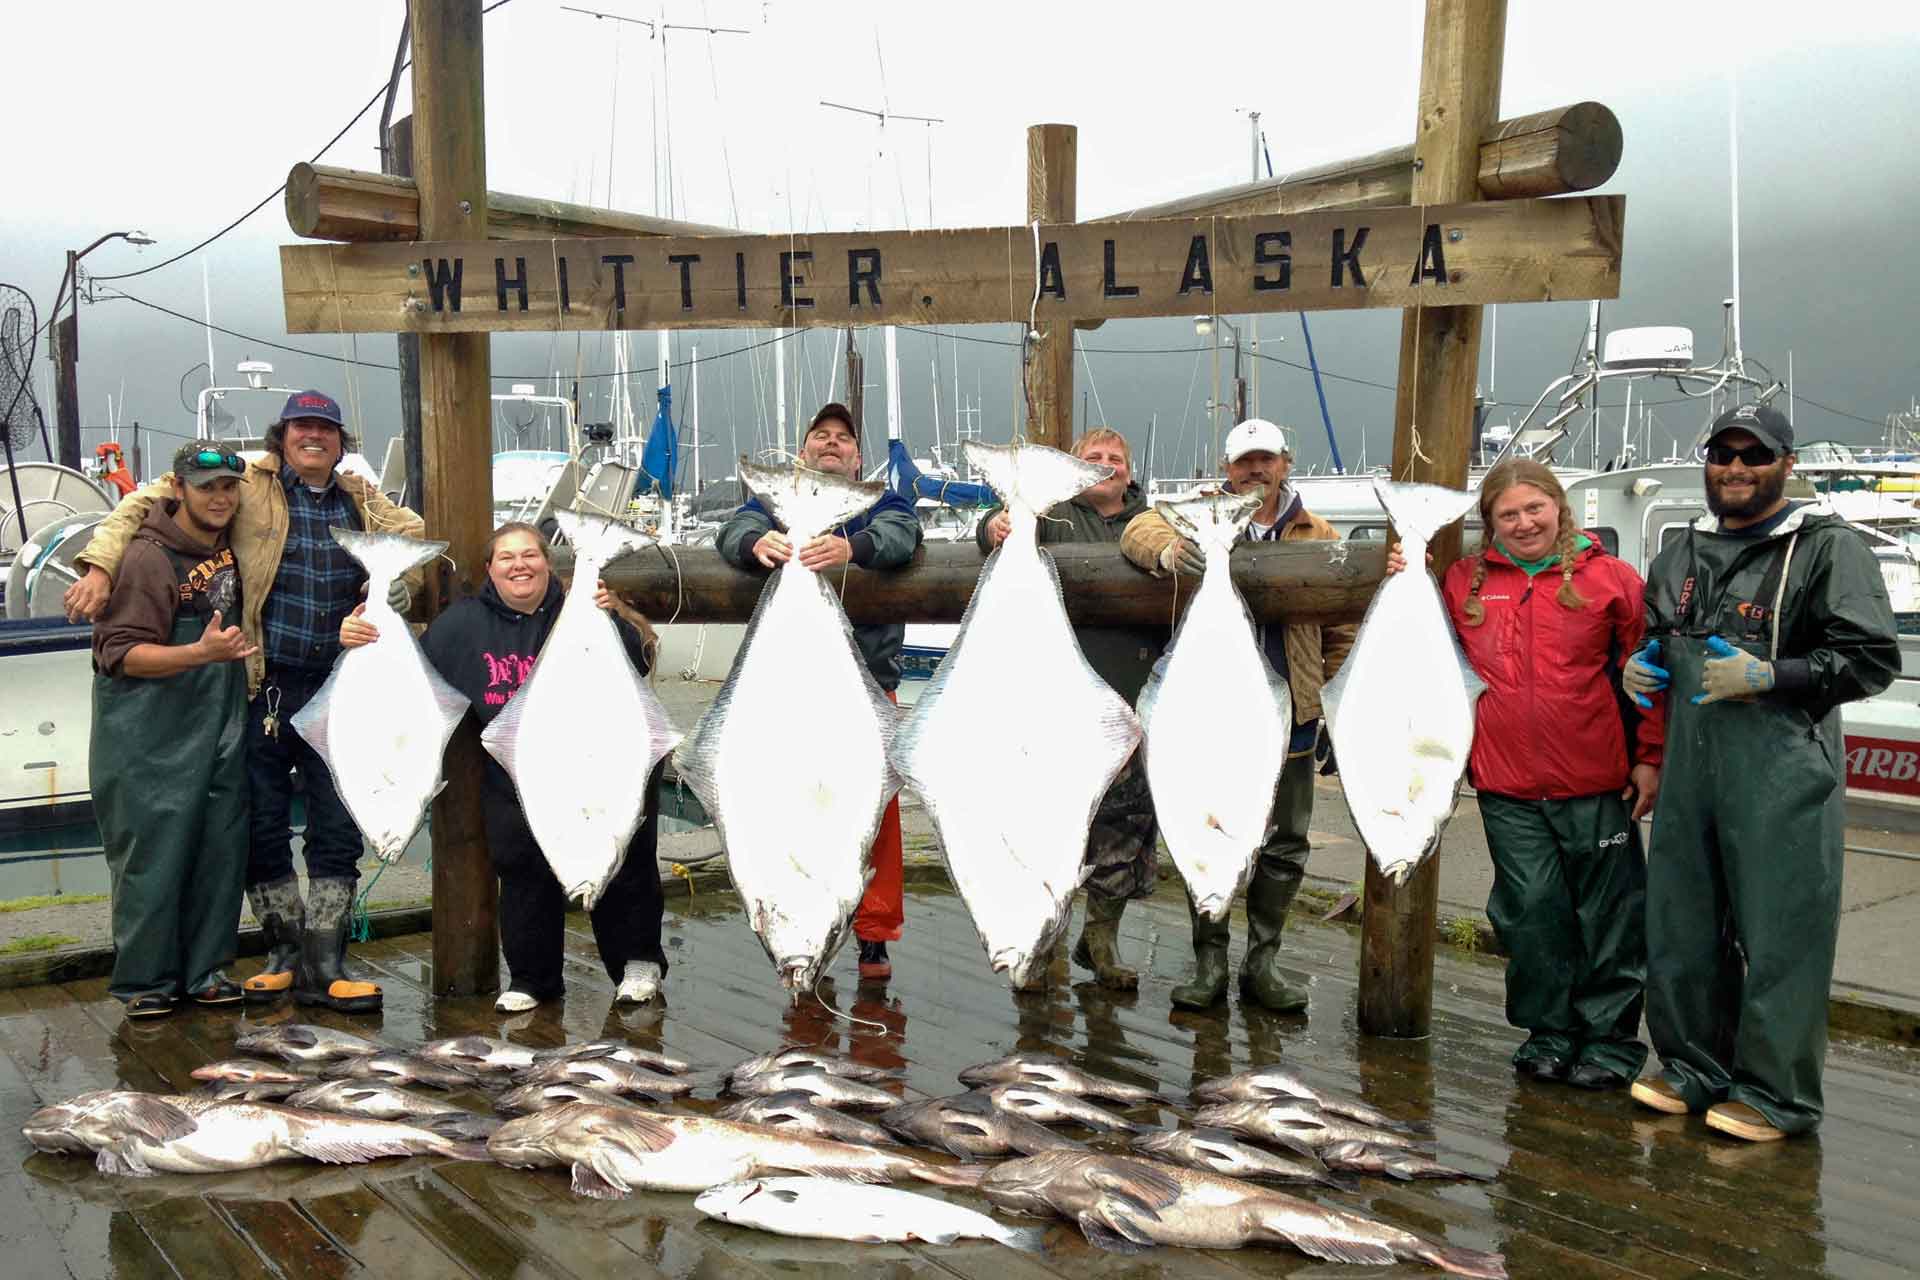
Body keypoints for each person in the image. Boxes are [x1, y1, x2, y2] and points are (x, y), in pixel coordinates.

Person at [65, 391, 426, 1014]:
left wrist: (398, 586)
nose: (313, 437)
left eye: (326, 429)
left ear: (340, 441)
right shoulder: (247, 487)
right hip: (262, 682)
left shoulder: (360, 500)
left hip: (342, 683)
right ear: (282, 436)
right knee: (258, 820)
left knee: (336, 825)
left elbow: (415, 543)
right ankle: (283, 949)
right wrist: (98, 564)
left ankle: (326, 958)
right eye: (301, 427)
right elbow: (140, 505)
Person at [1623, 403, 1897, 1140]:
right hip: (1691, 769)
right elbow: (1658, 630)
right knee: (1679, 926)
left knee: (1782, 936)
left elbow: (1872, 659)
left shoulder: (1827, 549)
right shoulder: (1680, 547)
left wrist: (1773, 675)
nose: (1736, 469)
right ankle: (1690, 1067)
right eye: (1723, 454)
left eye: (1755, 455)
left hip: (1782, 772)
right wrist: (1641, 663)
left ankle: (1776, 1094)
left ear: (1787, 464)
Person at [1386, 459, 1664, 1088]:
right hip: (1506, 786)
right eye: (1507, 514)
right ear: (1490, 524)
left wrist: (1651, 757)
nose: (1524, 523)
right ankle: (1549, 1031)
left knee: (1610, 918)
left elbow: (1651, 680)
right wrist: (1410, 576)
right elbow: (1421, 651)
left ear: (1558, 508)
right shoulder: (1463, 582)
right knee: (1531, 914)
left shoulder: (1613, 581)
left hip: (1596, 783)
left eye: (1534, 508)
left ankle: (1611, 1042)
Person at [341, 521, 671, 1012]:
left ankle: (637, 964)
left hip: (600, 754)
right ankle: (533, 979)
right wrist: (363, 635)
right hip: (521, 767)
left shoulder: (587, 609)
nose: (519, 565)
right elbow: (411, 680)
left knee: (623, 859)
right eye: (506, 558)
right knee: (521, 867)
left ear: (548, 563)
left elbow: (639, 662)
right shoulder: (460, 625)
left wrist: (612, 616)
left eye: (530, 556)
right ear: (490, 570)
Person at [1120, 418, 1355, 1013]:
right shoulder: (1197, 515)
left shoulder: (1318, 531)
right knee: (1206, 823)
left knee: (1287, 840)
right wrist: (1171, 549)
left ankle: (1263, 962)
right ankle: (1210, 962)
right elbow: (1137, 530)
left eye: (1266, 459)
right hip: (1208, 712)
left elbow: (1342, 625)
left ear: (1286, 462)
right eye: (1244, 461)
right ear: (1228, 469)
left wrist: (1325, 695)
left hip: (1291, 713)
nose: (1256, 469)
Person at [715, 403, 923, 982]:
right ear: (804, 450)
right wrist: (756, 543)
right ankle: (820, 927)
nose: (831, 444)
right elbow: (731, 530)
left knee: (873, 813)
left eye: (842, 439)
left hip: (866, 687)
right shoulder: (769, 506)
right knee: (789, 806)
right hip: (782, 695)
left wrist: (852, 549)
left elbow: (904, 533)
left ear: (858, 457)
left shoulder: (880, 502)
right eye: (820, 436)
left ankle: (874, 936)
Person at [978, 427, 1166, 990]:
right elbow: (988, 535)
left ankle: (1100, 938)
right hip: (1056, 709)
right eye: (1094, 457)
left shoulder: (1153, 520)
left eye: (1116, 457)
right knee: (1050, 823)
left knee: (1127, 828)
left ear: (1129, 472)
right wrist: (993, 528)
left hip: (1131, 700)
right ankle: (1043, 941)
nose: (1106, 464)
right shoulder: (1050, 513)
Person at [87, 444, 256, 1017]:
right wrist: (198, 653)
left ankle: (207, 971)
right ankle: (146, 982)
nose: (221, 497)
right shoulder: (146, 559)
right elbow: (118, 655)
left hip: (219, 725)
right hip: (147, 736)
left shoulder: (232, 545)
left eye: (229, 487)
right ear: (177, 488)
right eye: (207, 487)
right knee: (151, 859)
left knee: (219, 850)